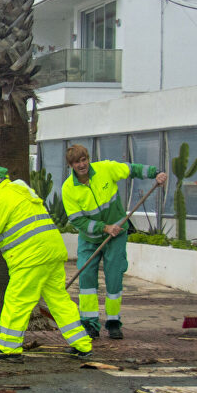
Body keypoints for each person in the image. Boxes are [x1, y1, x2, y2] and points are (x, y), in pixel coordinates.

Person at [0, 166, 93, 362]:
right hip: (52, 253)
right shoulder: (22, 194)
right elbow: (13, 229)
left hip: (31, 258)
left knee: (17, 301)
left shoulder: (2, 198)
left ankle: (9, 349)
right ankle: (82, 345)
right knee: (59, 301)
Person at [61, 145, 167, 340]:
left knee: (114, 278)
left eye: (84, 160)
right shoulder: (68, 189)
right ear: (71, 165)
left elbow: (131, 169)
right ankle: (90, 323)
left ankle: (113, 323)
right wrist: (104, 227)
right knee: (86, 281)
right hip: (90, 238)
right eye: (77, 162)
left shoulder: (105, 169)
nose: (82, 164)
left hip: (116, 236)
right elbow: (78, 220)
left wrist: (156, 173)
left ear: (88, 159)